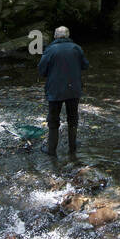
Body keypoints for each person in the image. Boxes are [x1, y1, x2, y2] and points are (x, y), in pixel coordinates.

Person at [36, 26, 89, 156]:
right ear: (68, 35)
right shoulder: (77, 48)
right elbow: (85, 65)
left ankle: (51, 150)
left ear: (55, 36)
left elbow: (41, 70)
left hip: (55, 91)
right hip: (73, 90)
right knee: (73, 119)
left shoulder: (50, 50)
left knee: (53, 120)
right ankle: (72, 148)